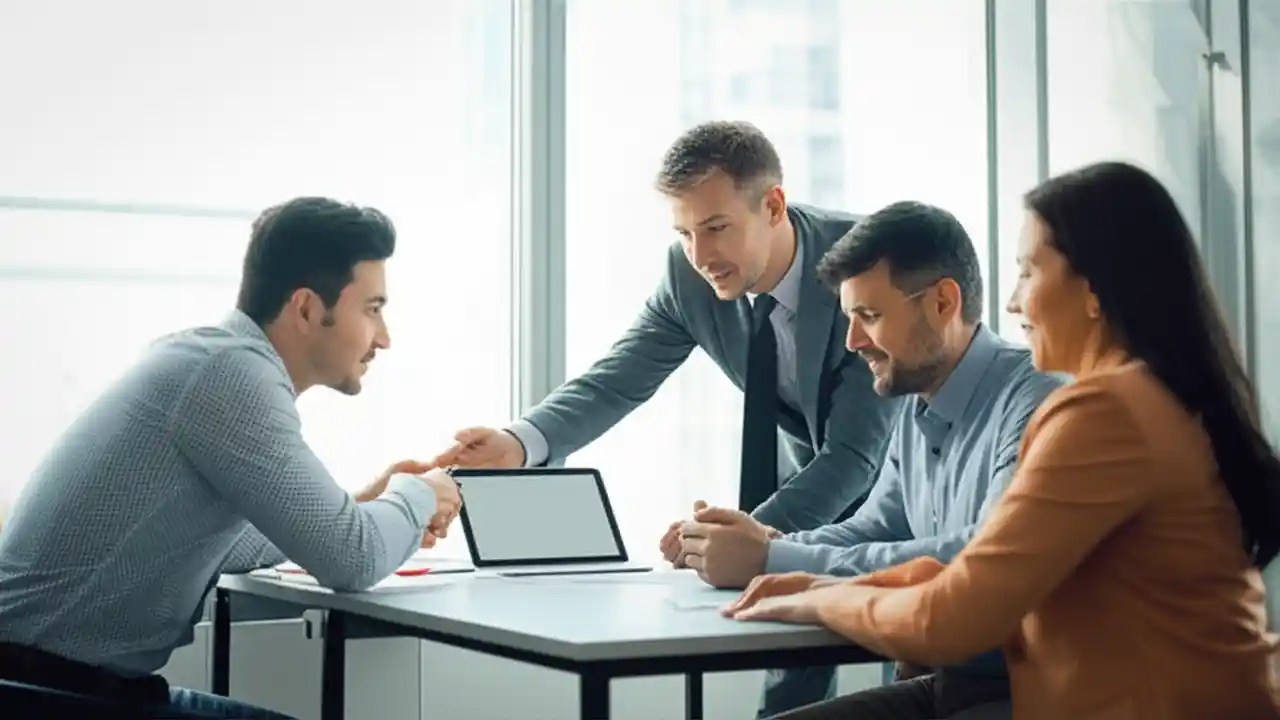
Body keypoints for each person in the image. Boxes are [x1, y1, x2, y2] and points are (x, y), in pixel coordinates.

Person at [727, 162, 1280, 720]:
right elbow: (985, 567)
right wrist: (812, 576)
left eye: (1027, 272)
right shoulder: (1138, 399)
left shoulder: (1105, 413)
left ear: (1094, 290)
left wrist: (821, 596)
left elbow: (954, 617)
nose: (1012, 303)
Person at [0, 197, 461, 719]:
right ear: (307, 308)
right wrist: (423, 494)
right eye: (373, 309)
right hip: (46, 696)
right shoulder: (231, 377)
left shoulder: (210, 361)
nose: (385, 337)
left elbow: (217, 540)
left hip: (58, 682)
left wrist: (362, 505)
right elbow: (351, 559)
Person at [679, 201, 1063, 718]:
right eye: (848, 318)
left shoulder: (1037, 400)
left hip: (1025, 692)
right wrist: (762, 542)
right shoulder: (917, 397)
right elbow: (877, 527)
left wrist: (774, 560)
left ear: (944, 303)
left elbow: (974, 556)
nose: (853, 342)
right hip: (951, 680)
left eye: (870, 316)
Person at [432, 121, 900, 542]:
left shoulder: (864, 265)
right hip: (806, 526)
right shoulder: (689, 276)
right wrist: (519, 442)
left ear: (773, 206)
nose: (702, 255)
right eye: (685, 233)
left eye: (717, 227)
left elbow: (854, 454)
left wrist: (745, 536)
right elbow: (616, 380)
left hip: (909, 521)